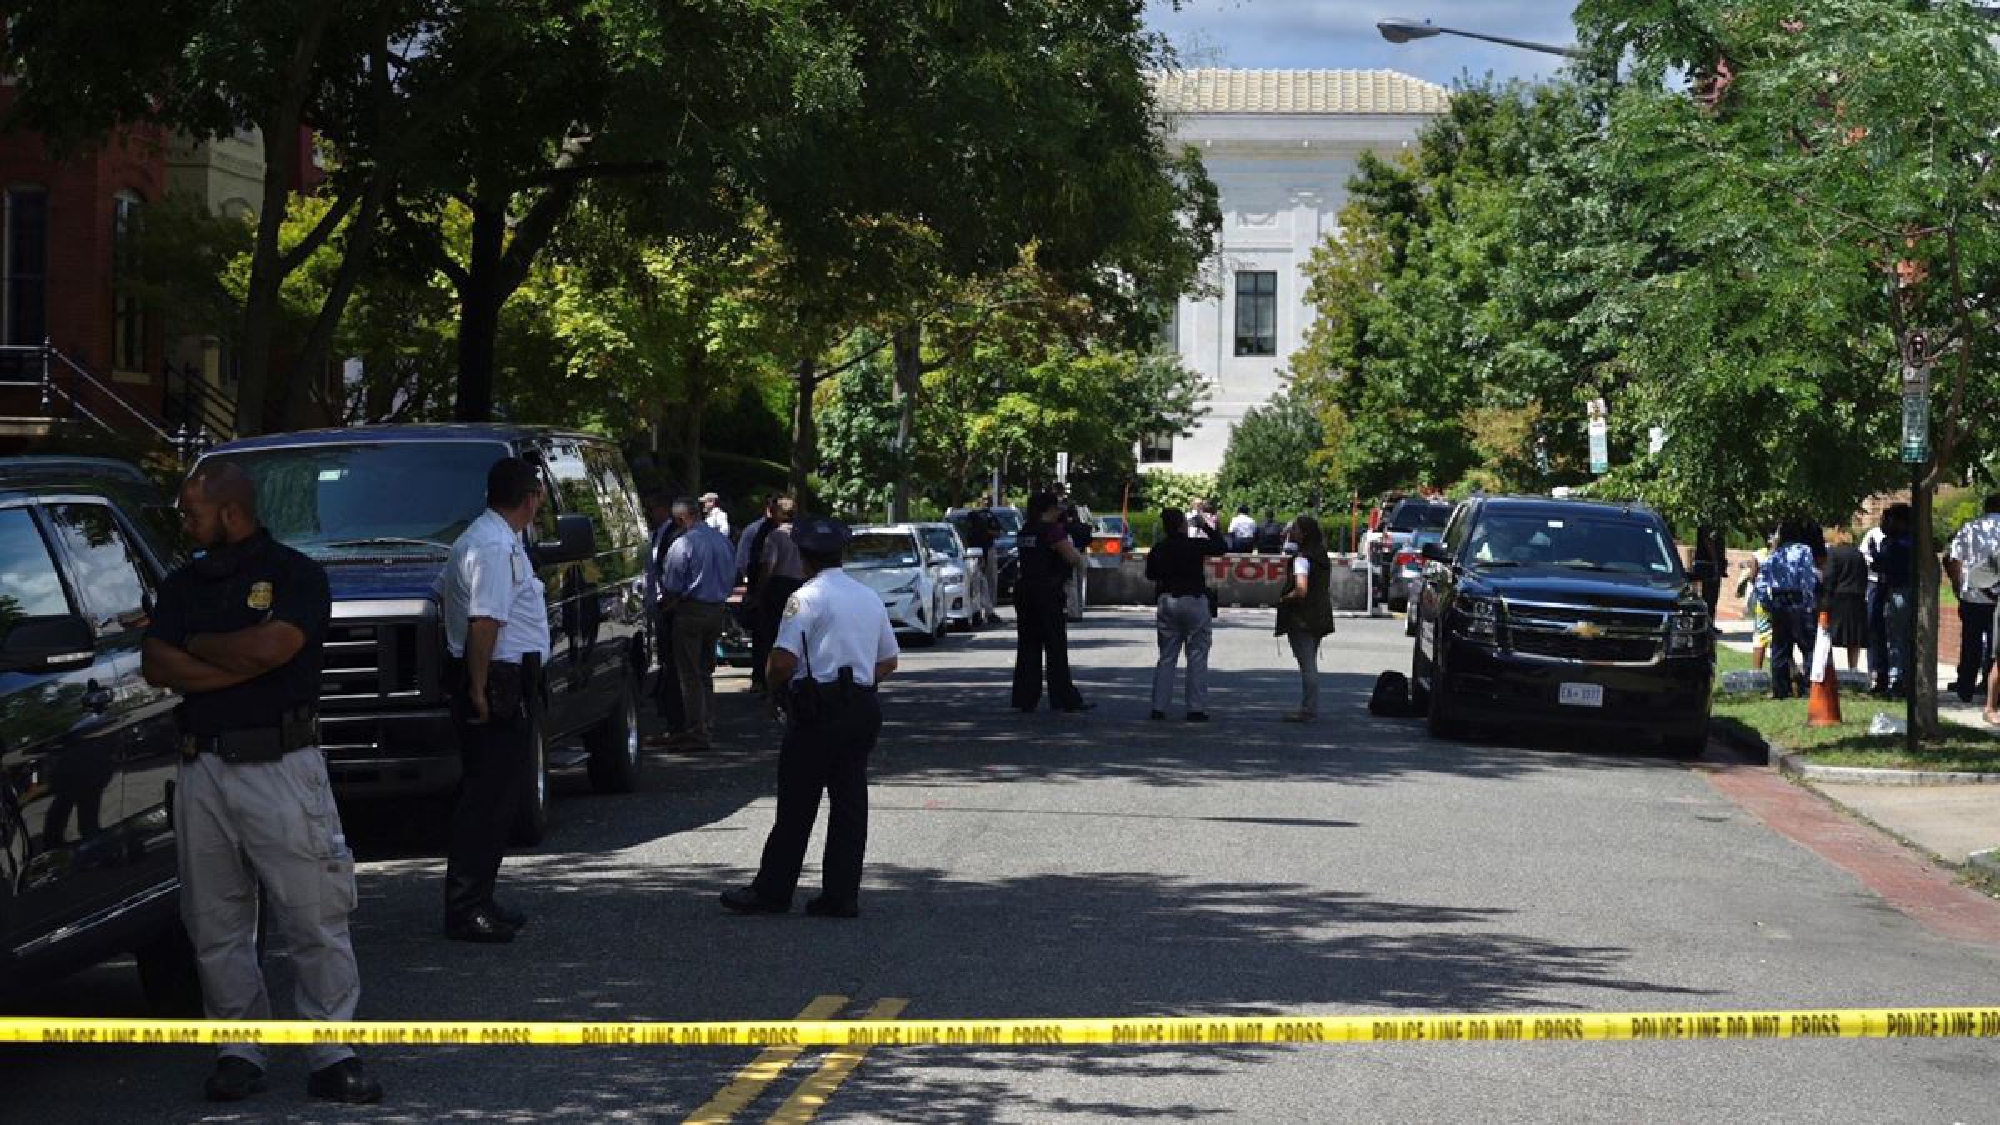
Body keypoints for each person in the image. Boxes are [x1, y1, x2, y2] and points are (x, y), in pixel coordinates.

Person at [140, 461, 382, 1104]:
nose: (185, 523)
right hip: (202, 769)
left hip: (281, 767)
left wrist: (199, 647)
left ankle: (333, 1053)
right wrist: (232, 657)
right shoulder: (183, 582)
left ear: (231, 513)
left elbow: (272, 649)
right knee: (214, 919)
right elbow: (157, 662)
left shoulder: (296, 575)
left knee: (314, 913)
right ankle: (238, 1048)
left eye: (193, 513)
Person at [721, 518, 899, 918]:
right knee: (849, 802)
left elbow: (783, 659)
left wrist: (772, 689)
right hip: (860, 707)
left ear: (803, 558)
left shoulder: (806, 598)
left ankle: (773, 890)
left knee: (797, 804)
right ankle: (841, 894)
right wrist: (860, 686)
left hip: (818, 708)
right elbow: (888, 659)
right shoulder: (867, 596)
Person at [434, 456, 550, 946]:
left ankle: (480, 899)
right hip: (495, 679)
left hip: (505, 676)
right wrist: (479, 687)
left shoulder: (494, 538)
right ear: (530, 498)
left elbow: (444, 596)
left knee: (499, 797)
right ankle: (466, 908)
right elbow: (485, 622)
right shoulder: (491, 545)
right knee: (486, 799)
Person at [660, 497, 737, 748]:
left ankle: (696, 730)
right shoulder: (722, 541)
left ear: (682, 519)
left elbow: (672, 584)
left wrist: (666, 606)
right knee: (705, 671)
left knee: (689, 673)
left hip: (691, 610)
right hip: (717, 610)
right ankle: (706, 724)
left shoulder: (683, 544)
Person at [1144, 508, 1228, 721]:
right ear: (1183, 524)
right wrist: (1206, 526)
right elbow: (1221, 547)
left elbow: (1150, 574)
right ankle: (1195, 708)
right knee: (1197, 655)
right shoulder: (1194, 545)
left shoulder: (1159, 548)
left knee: (1167, 656)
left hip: (1167, 600)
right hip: (1194, 599)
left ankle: (1159, 706)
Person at [1012, 490, 1090, 713]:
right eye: (1056, 507)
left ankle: (1025, 698)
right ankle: (1063, 698)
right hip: (1047, 591)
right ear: (1048, 509)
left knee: (1028, 645)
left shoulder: (1025, 530)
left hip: (1025, 590)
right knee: (1055, 645)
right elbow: (1072, 558)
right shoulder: (1053, 531)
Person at [1276, 514, 1336, 722]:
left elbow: (1301, 590)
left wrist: (1285, 598)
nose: (1292, 532)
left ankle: (1308, 708)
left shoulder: (1302, 559)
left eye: (1296, 529)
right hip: (1320, 613)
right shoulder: (1322, 556)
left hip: (1302, 616)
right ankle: (1309, 706)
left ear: (1304, 534)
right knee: (1310, 660)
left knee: (1307, 664)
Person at [1757, 520, 1823, 700]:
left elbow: (1762, 580)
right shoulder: (1804, 550)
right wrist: (1809, 601)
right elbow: (1807, 577)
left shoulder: (1775, 554)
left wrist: (1766, 602)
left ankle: (1780, 689)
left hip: (1778, 601)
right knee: (1807, 646)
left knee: (1780, 648)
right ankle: (1811, 687)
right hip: (1797, 601)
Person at [1943, 494, 2000, 703]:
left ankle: (1966, 684)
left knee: (1971, 642)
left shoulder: (1970, 528)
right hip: (1997, 599)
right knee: (1997, 645)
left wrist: (1958, 588)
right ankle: (1990, 686)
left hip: (1973, 595)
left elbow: (1955, 560)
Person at [752, 497, 806, 693]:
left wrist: (759, 592)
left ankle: (773, 680)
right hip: (801, 584)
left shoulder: (776, 536)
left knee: (775, 633)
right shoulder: (802, 535)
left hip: (780, 586)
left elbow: (768, 565)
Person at [643, 495, 685, 740]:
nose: (649, 513)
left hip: (671, 606)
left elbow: (671, 574)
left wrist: (668, 602)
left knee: (677, 666)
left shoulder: (674, 536)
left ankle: (679, 723)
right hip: (663, 603)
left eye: (652, 508)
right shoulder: (663, 533)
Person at [1875, 504, 1915, 698]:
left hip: (1898, 592)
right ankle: (1903, 678)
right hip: (1906, 592)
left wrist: (1876, 556)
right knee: (1906, 638)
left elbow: (1884, 565)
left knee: (1896, 638)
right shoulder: (1912, 542)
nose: (1883, 524)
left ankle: (1896, 680)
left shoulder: (1895, 544)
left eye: (1887, 519)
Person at [1823, 527, 1869, 671]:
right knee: (1854, 636)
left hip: (1838, 598)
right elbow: (1864, 575)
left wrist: (1824, 599)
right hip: (1857, 598)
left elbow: (1829, 576)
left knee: (1828, 635)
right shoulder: (1859, 554)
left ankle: (1829, 666)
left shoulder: (1832, 553)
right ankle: (1853, 667)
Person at [1861, 513, 1891, 694]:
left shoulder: (1900, 539)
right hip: (1874, 583)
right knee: (1873, 628)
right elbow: (1864, 556)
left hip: (1892, 584)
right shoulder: (1873, 534)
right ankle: (1875, 671)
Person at [1692, 526, 1728, 618]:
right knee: (1709, 597)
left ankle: (1709, 623)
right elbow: (1708, 541)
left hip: (1709, 564)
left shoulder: (1714, 521)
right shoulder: (1710, 521)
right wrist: (1715, 561)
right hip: (1708, 564)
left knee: (1710, 598)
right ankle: (1706, 623)